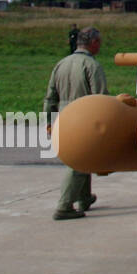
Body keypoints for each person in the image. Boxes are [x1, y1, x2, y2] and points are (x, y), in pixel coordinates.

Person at [44, 26, 107, 220]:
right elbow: (101, 98)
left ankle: (85, 198)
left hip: (63, 119)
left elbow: (50, 97)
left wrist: (49, 122)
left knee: (82, 158)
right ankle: (64, 206)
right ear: (93, 43)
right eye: (100, 42)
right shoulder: (92, 66)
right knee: (80, 161)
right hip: (84, 119)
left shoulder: (61, 64)